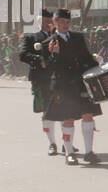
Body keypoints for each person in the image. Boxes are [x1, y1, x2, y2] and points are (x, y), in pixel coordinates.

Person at [41, 10, 102, 164]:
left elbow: (85, 57)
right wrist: (54, 54)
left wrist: (96, 63)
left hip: (81, 83)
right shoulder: (48, 43)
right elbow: (49, 69)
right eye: (61, 21)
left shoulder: (78, 37)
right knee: (68, 118)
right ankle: (69, 153)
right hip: (64, 85)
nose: (64, 25)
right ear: (54, 22)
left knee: (88, 115)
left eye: (67, 22)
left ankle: (89, 152)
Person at [19, 8, 57, 151]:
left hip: (59, 77)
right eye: (45, 21)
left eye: (50, 21)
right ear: (39, 21)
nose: (48, 23)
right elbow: (23, 54)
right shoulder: (30, 36)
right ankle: (51, 143)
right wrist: (38, 59)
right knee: (46, 110)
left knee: (64, 108)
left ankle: (68, 142)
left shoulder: (58, 35)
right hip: (40, 78)